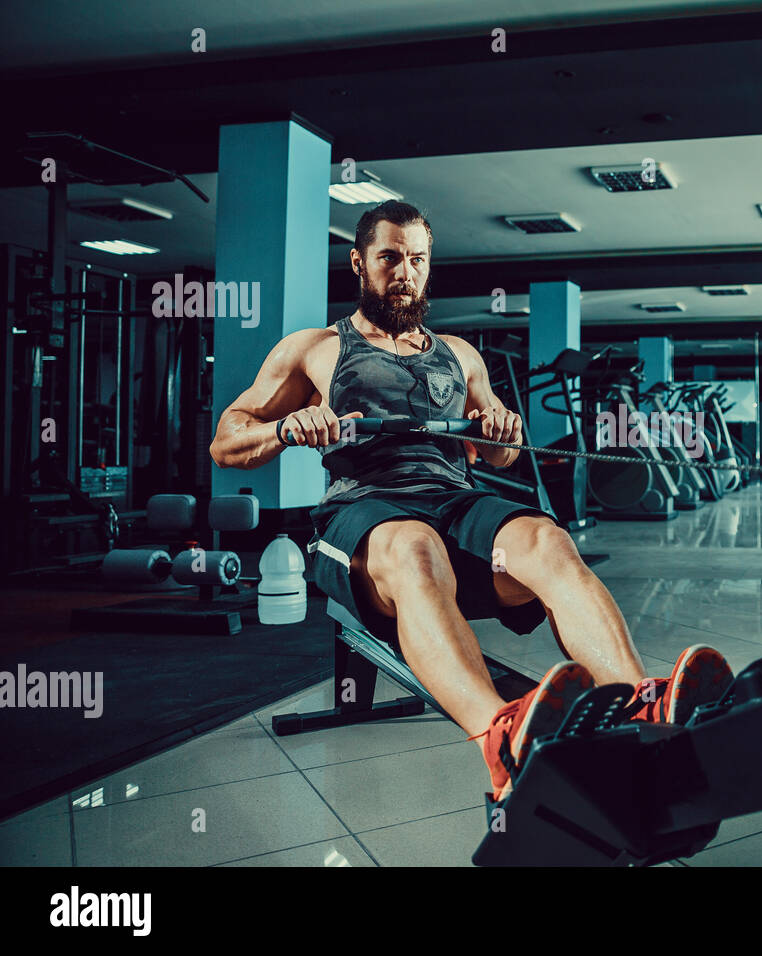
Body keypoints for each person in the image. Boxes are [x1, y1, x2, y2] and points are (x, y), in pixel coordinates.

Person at [210, 200, 732, 800]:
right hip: (363, 513)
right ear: (359, 262)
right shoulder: (315, 348)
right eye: (389, 258)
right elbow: (225, 443)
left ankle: (645, 712)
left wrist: (501, 434)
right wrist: (288, 427)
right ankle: (502, 738)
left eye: (416, 260)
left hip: (455, 499)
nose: (404, 271)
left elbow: (498, 457)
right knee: (416, 546)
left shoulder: (461, 355)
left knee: (548, 540)